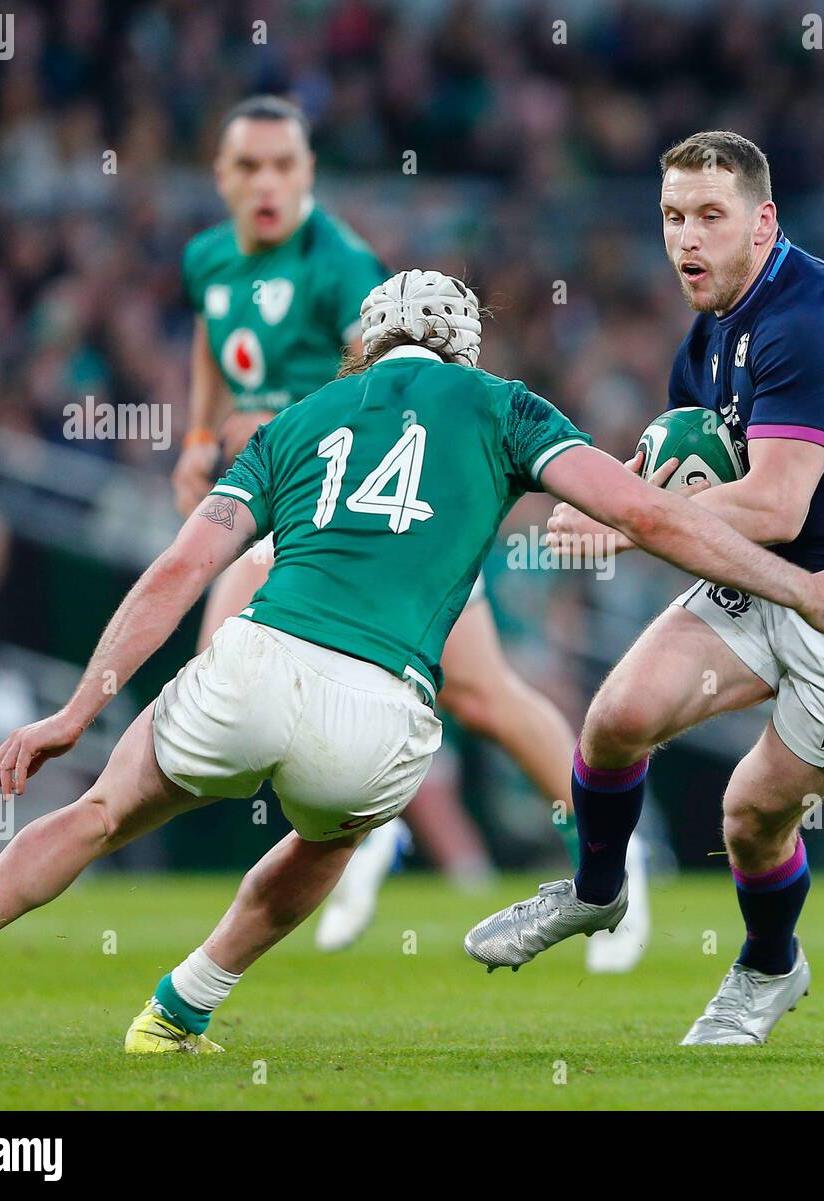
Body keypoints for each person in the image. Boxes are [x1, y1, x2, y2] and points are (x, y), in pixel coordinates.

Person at [0, 270, 824, 1051]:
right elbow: (646, 513)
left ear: (368, 340)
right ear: (464, 346)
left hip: (256, 657)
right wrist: (804, 587)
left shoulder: (301, 417)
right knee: (327, 839)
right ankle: (180, 1006)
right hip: (380, 708)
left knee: (96, 815)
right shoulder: (501, 405)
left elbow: (182, 563)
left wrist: (75, 710)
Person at [465, 131, 824, 1047]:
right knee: (615, 720)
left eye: (709, 216)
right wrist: (622, 490)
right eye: (671, 217)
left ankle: (769, 967)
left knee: (748, 817)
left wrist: (624, 518)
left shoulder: (807, 320)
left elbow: (773, 503)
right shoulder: (708, 339)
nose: (686, 238)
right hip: (781, 584)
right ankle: (595, 890)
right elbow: (692, 478)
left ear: (764, 221)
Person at [172, 94, 649, 971]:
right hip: (299, 521)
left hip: (367, 521)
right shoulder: (209, 256)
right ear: (221, 177)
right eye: (249, 166)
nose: (267, 182)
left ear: (309, 174)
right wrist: (203, 435)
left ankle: (615, 859)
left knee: (481, 695)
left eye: (284, 165)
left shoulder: (341, 267)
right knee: (441, 693)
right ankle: (355, 831)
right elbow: (214, 337)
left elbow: (387, 394)